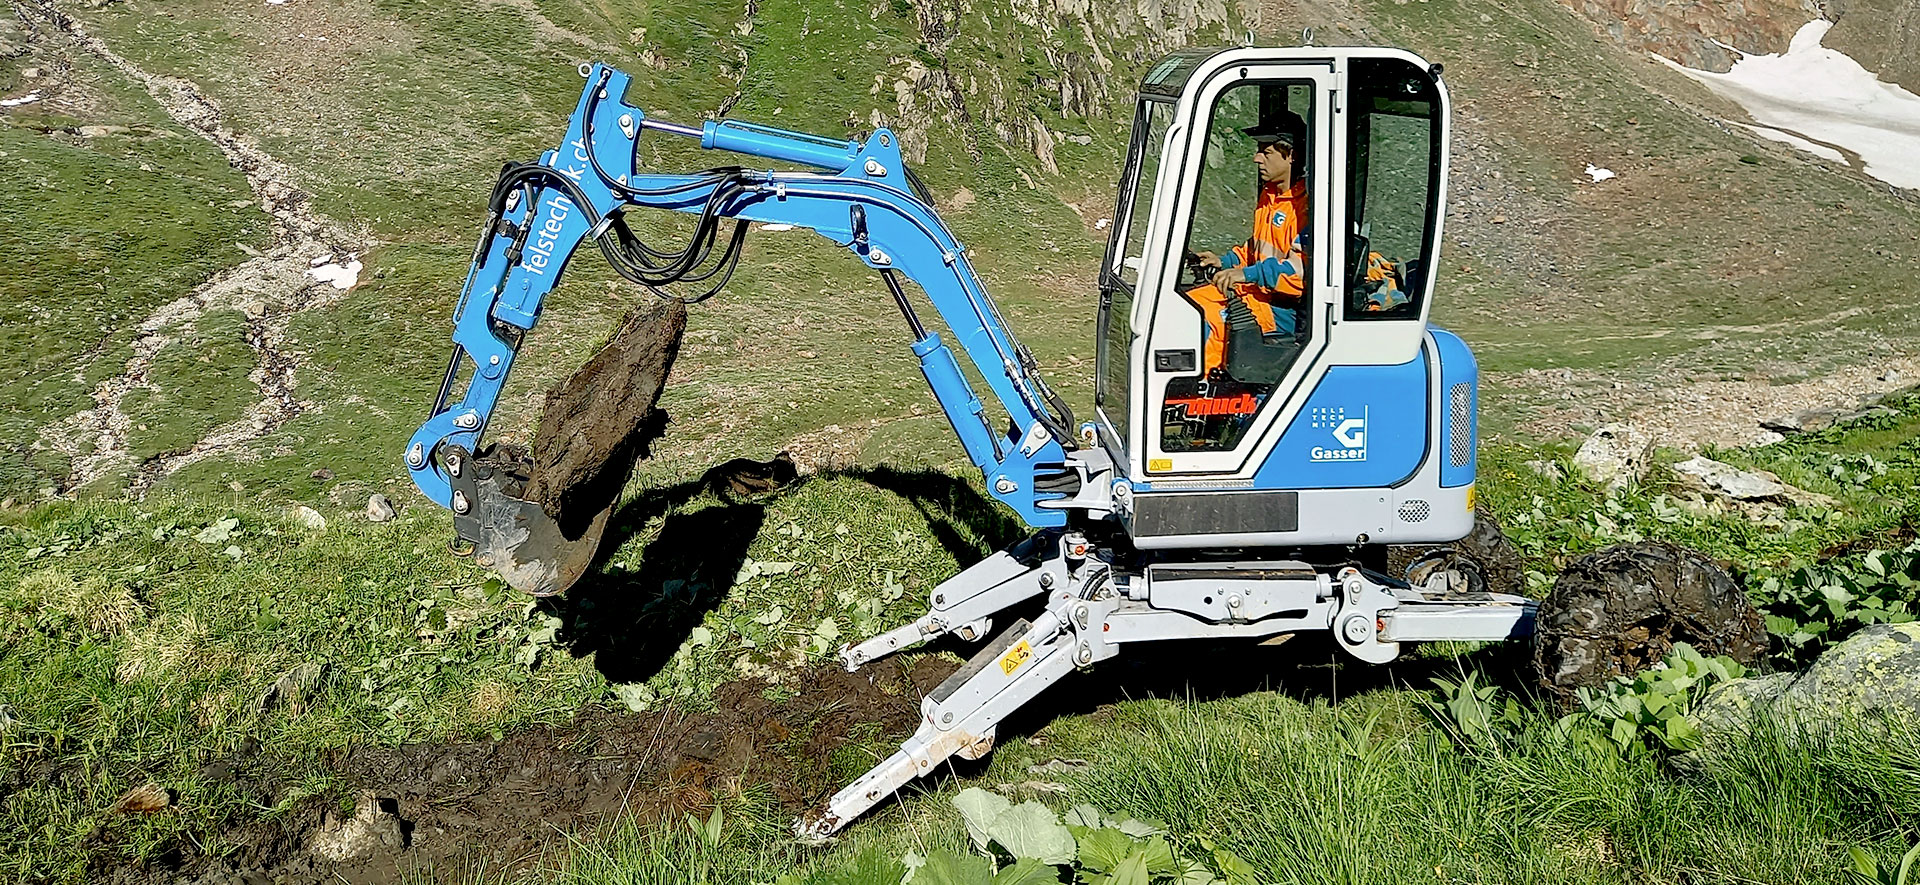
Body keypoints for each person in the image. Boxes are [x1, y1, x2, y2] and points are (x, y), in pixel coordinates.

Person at [1188, 112, 1309, 375]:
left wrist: (1246, 274)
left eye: (1266, 152)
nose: (1257, 158)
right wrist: (1226, 261)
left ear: (1291, 156)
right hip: (1259, 293)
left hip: (1285, 310)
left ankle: (1198, 395)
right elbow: (1259, 247)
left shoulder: (1305, 210)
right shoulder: (1271, 196)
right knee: (1189, 304)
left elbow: (1301, 275)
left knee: (1208, 321)